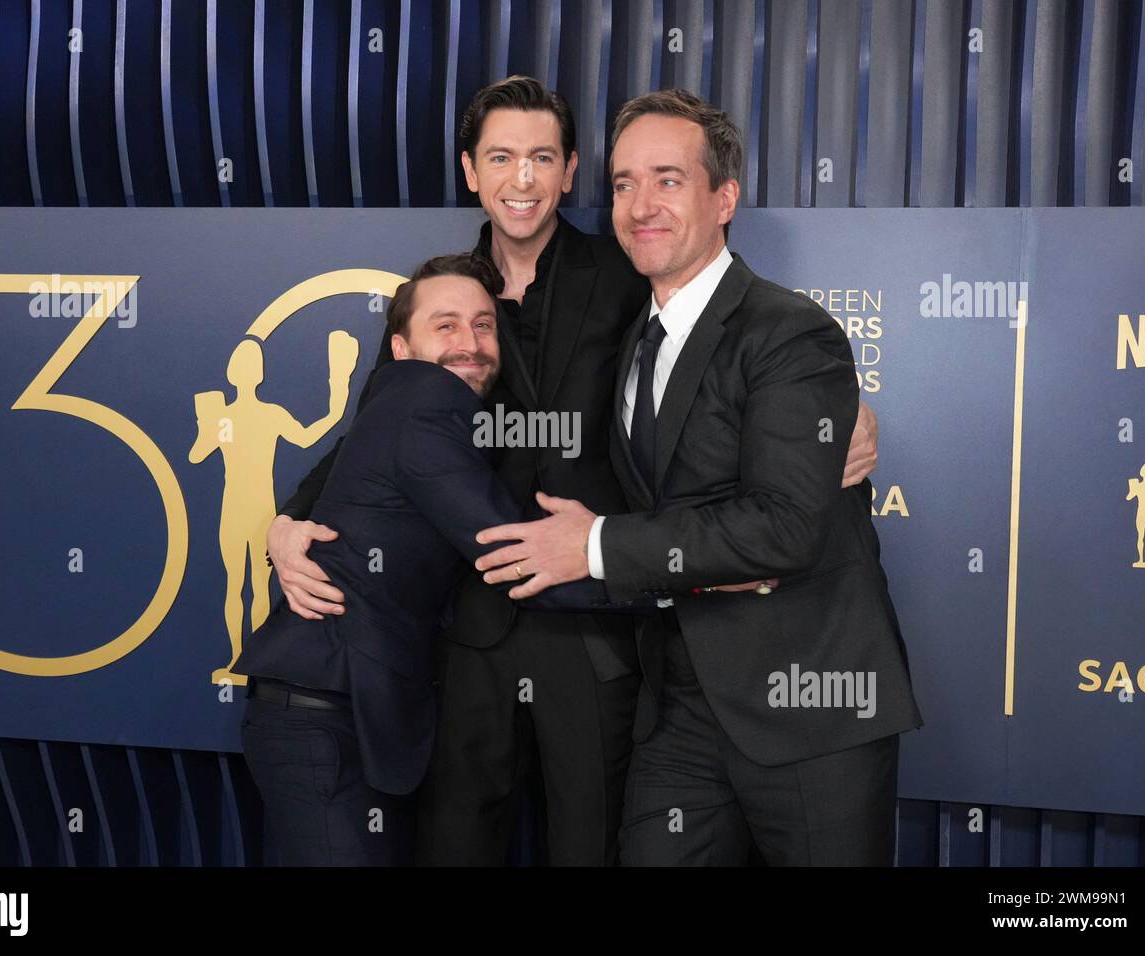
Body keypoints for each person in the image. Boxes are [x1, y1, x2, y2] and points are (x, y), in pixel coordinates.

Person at [268, 76, 882, 866]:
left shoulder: (632, 266)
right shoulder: (443, 292)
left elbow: (734, 351)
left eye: (541, 158)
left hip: (598, 630)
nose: (521, 180)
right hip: (468, 627)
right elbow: (376, 429)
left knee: (591, 847)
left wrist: (849, 425)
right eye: (500, 157)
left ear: (568, 171)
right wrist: (290, 518)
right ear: (470, 172)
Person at [476, 90, 923, 866]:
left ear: (724, 199)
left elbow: (783, 527)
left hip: (811, 709)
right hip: (680, 709)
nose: (640, 204)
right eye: (622, 184)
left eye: (668, 180)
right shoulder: (631, 339)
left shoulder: (789, 331)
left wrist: (596, 546)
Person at [233, 255, 638, 866]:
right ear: (401, 346)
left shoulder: (403, 405)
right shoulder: (427, 405)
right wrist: (669, 575)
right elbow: (515, 557)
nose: (470, 344)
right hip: (325, 724)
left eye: (483, 325)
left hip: (347, 722)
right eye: (444, 326)